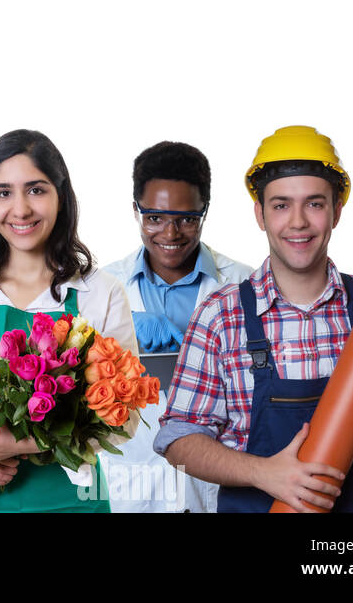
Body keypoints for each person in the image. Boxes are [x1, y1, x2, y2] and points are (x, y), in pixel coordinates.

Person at [154, 126, 353, 513]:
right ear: (260, 213)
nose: (298, 222)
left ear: (337, 210)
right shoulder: (220, 316)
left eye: (315, 204)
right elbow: (178, 441)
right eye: (281, 205)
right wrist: (263, 473)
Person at [0, 129, 138, 513]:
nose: (20, 209)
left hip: (74, 502)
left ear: (61, 197)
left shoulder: (100, 293)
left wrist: (27, 444)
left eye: (36, 189)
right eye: (3, 193)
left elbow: (125, 415)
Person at [99, 141, 252, 512]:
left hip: (213, 485)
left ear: (205, 212)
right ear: (136, 211)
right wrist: (112, 343)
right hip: (131, 488)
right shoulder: (102, 290)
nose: (170, 233)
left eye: (186, 218)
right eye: (154, 217)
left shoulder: (244, 287)